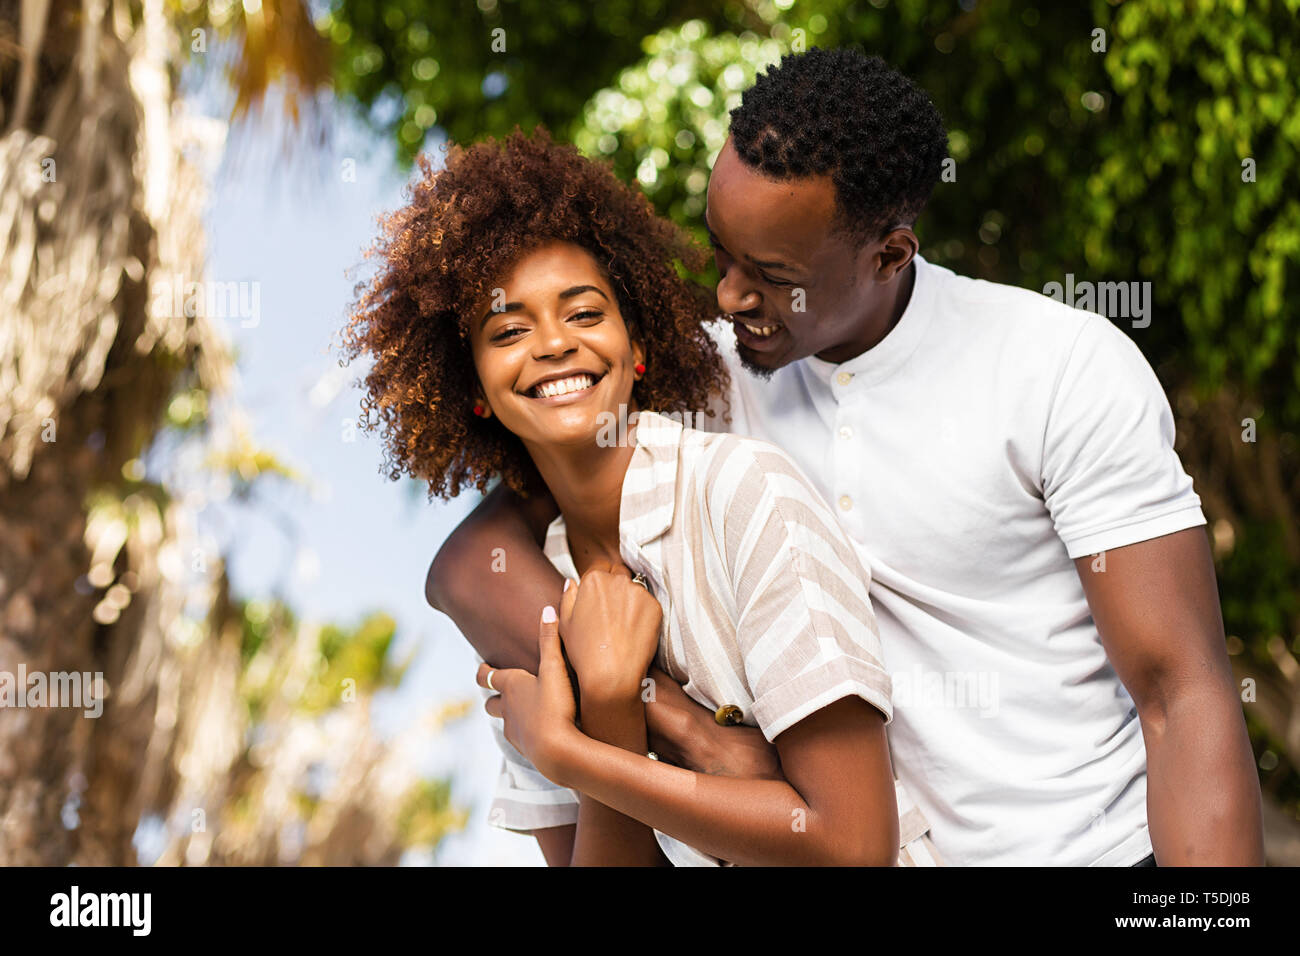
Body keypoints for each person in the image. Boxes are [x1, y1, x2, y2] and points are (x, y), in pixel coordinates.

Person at [427, 49, 1265, 866]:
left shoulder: (1056, 366)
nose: (727, 297)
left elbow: (1180, 695)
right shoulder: (703, 378)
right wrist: (683, 727)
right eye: (719, 252)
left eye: (770, 275)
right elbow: (473, 564)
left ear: (889, 255)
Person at [342, 127, 942, 866]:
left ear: (640, 346)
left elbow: (853, 848)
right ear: (475, 393)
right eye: (508, 329)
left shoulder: (745, 494)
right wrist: (613, 709)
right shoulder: (523, 617)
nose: (553, 343)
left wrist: (572, 752)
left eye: (585, 313)